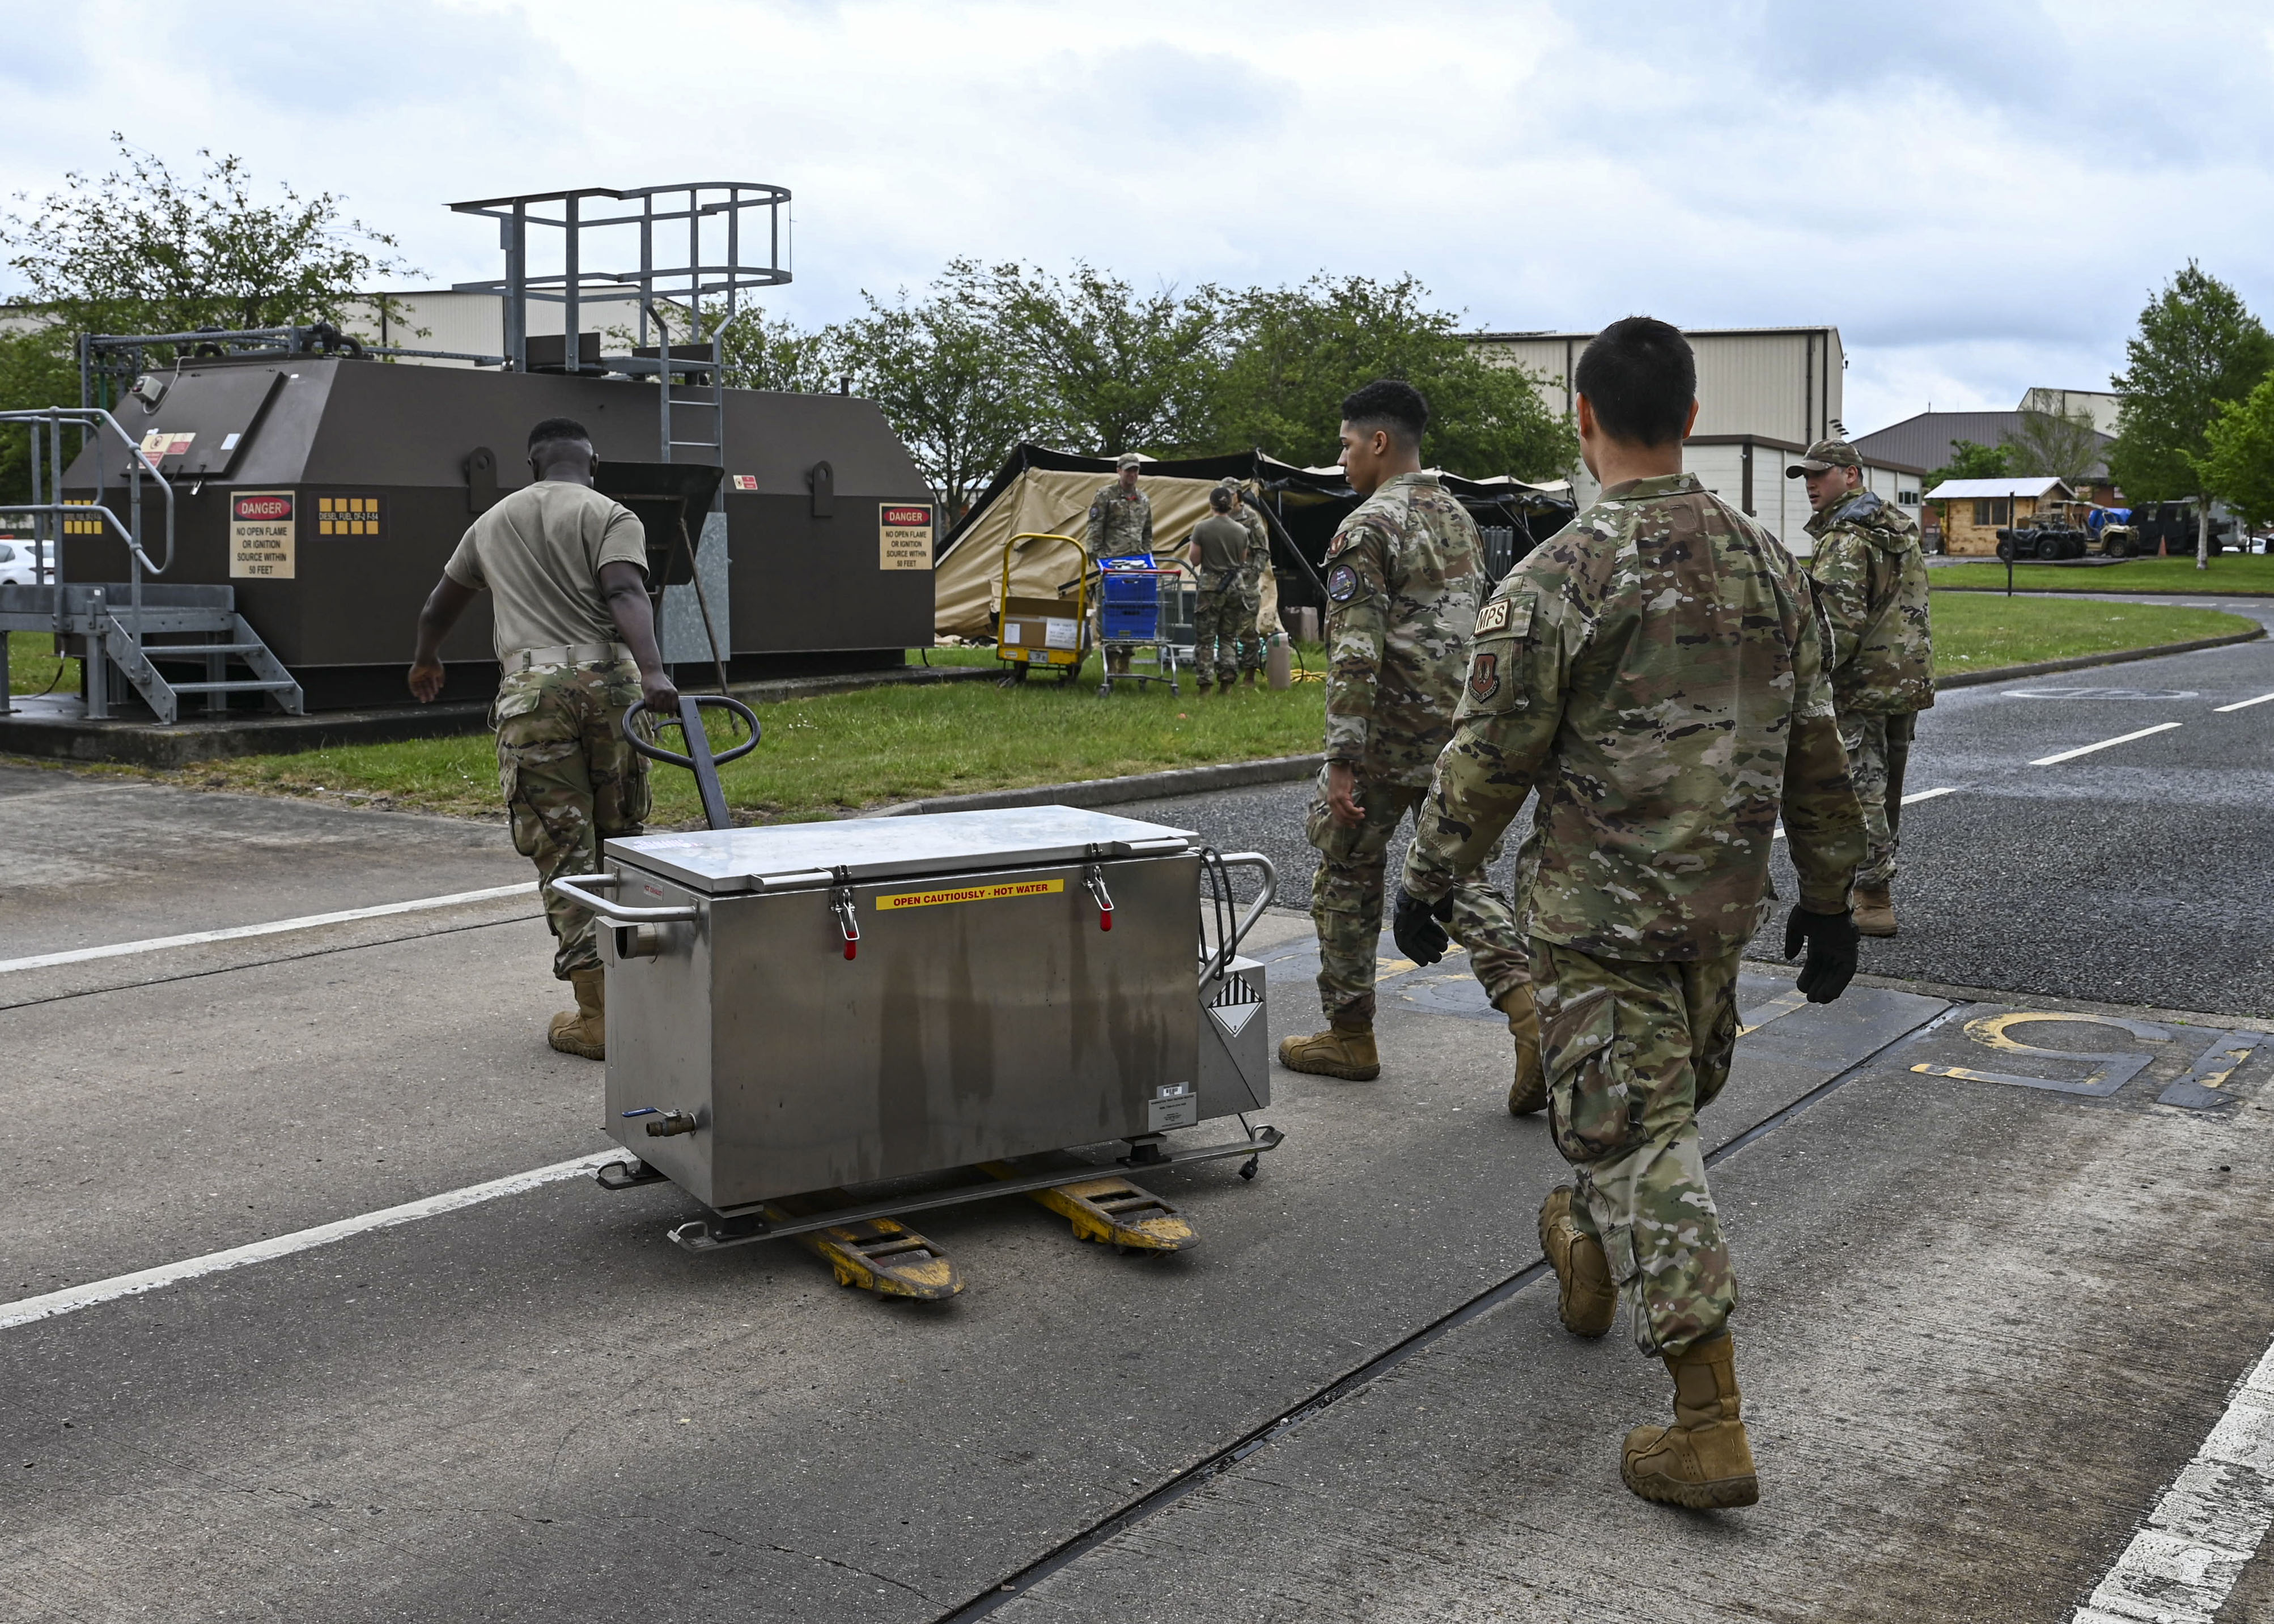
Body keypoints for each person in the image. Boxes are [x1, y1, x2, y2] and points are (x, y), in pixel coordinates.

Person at [1395, 318, 1865, 1510]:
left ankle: (1706, 1426)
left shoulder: (1557, 574)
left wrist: (1427, 874)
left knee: (1644, 1144)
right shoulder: (1770, 562)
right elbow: (1817, 745)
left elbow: (1490, 756)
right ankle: (1585, 1247)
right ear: (1692, 418)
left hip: (1597, 928)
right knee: (1640, 1123)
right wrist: (1829, 893)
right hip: (1717, 921)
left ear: (1582, 416)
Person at [1279, 380, 1539, 1108]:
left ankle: (1350, 1035)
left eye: (1345, 443)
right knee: (1459, 877)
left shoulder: (1366, 526)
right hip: (1455, 733)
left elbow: (1355, 653)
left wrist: (1340, 758)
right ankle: (1530, 1018)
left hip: (1384, 740)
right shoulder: (1457, 516)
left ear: (1379, 442)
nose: (1341, 458)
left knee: (1344, 872)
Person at [408, 418, 678, 1061]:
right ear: (593, 462)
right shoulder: (612, 513)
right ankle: (643, 1000)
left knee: (565, 851)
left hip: (531, 695)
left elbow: (438, 605)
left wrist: (426, 659)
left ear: (533, 466)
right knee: (623, 846)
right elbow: (623, 588)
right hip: (610, 689)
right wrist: (653, 670)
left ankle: (599, 1017)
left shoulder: (492, 522)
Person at [1789, 437, 1933, 938]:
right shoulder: (1895, 528)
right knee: (1885, 790)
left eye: (1820, 474)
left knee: (1860, 792)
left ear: (1851, 475)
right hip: (1902, 680)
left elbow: (1835, 628)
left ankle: (1873, 898)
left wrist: (1803, 675)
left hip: (1859, 686)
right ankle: (1874, 887)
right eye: (1805, 476)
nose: (1810, 484)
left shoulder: (1846, 539)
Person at [1088, 453, 1153, 674]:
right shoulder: (1106, 495)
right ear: (1119, 471)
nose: (1132, 475)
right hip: (1112, 564)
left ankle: (1127, 658)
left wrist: (1146, 554)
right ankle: (1111, 659)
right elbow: (1095, 528)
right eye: (1128, 470)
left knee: (1132, 611)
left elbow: (1147, 531)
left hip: (1136, 565)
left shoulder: (1143, 499)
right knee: (1111, 611)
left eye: (1135, 471)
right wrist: (1099, 558)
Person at [1187, 486, 1250, 694]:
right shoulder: (1242, 531)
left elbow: (1194, 559)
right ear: (1231, 505)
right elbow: (1242, 560)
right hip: (1234, 587)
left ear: (1211, 504)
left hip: (1210, 588)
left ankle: (1205, 685)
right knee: (1228, 636)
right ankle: (1227, 683)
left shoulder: (1202, 528)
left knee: (1205, 638)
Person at [1221, 477, 1272, 686]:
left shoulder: (1250, 518)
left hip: (1246, 582)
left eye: (1230, 494)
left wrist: (1251, 575)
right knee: (1226, 630)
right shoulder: (1220, 517)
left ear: (1238, 496)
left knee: (1247, 630)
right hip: (1224, 581)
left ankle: (1250, 675)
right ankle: (1228, 673)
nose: (1226, 498)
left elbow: (1263, 551)